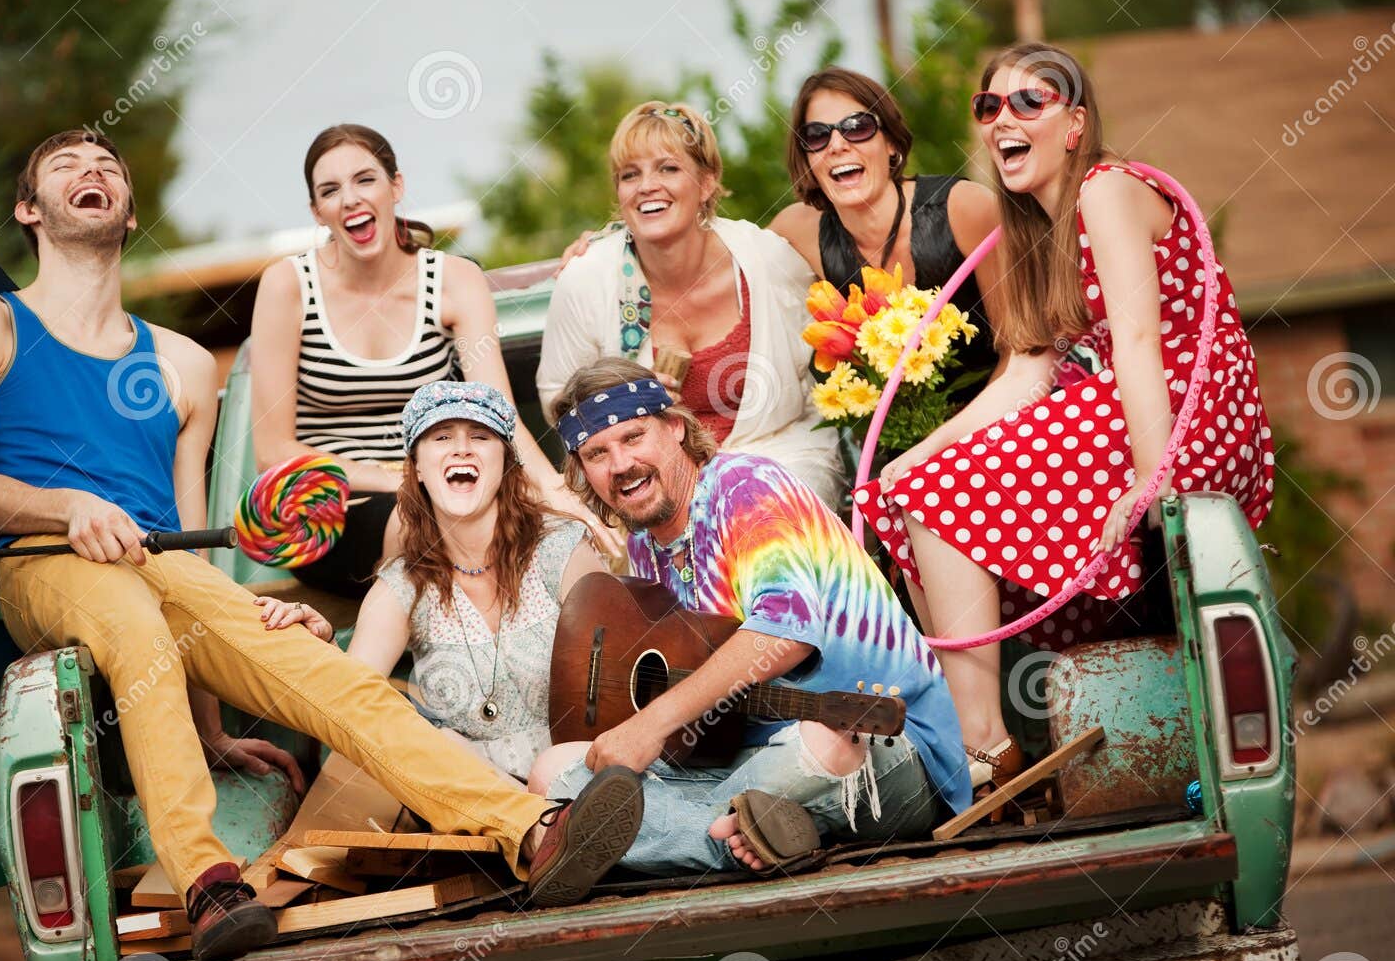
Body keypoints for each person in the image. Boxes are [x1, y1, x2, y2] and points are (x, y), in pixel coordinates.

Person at [0, 131, 644, 961]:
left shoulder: (185, 363)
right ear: (29, 208)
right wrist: (68, 507)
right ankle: (207, 879)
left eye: (108, 168)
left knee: (327, 672)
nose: (91, 173)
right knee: (127, 614)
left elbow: (190, 564)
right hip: (40, 560)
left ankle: (530, 826)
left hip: (155, 566)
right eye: (64, 166)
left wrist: (210, 725)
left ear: (127, 214)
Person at [856, 43, 1274, 775]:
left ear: (1076, 124)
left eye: (1028, 103)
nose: (1001, 119)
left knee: (937, 497)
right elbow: (1028, 374)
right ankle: (979, 738)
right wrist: (908, 462)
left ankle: (982, 748)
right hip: (1128, 404)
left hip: (1183, 413)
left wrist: (1153, 481)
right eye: (989, 107)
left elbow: (1140, 340)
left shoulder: (1105, 190)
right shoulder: (1042, 231)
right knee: (904, 493)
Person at [530, 358, 969, 876]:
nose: (620, 464)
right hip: (746, 766)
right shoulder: (645, 546)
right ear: (583, 472)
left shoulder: (747, 489)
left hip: (884, 751)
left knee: (820, 742)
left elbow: (785, 636)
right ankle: (751, 834)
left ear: (674, 429)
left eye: (633, 437)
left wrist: (650, 726)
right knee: (553, 769)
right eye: (596, 454)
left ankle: (684, 840)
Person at [248, 123, 615, 598]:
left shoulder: (455, 279)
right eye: (330, 190)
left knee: (553, 532)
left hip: (447, 491)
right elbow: (274, 452)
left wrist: (555, 492)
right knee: (439, 525)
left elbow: (498, 411)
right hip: (330, 511)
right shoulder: (287, 286)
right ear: (318, 212)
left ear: (395, 186)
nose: (350, 199)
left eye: (365, 179)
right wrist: (394, 477)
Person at [256, 380, 605, 783]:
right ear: (417, 468)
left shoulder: (561, 549)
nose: (461, 448)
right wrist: (322, 644)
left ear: (508, 462)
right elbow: (350, 703)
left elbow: (626, 671)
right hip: (474, 797)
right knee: (432, 736)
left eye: (480, 435)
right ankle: (528, 833)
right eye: (441, 437)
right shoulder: (401, 585)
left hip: (584, 773)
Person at [537, 102, 842, 504]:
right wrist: (625, 399)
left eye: (668, 168)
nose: (647, 185)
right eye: (631, 174)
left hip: (780, 464)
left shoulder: (770, 261)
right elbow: (559, 403)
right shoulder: (586, 279)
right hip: (648, 486)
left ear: (708, 181)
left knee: (755, 517)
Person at [770, 66, 1003, 414]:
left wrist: (949, 443)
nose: (836, 145)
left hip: (999, 419)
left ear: (891, 143)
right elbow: (728, 277)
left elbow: (1023, 350)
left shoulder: (965, 207)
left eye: (857, 127)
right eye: (817, 136)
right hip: (891, 443)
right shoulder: (795, 231)